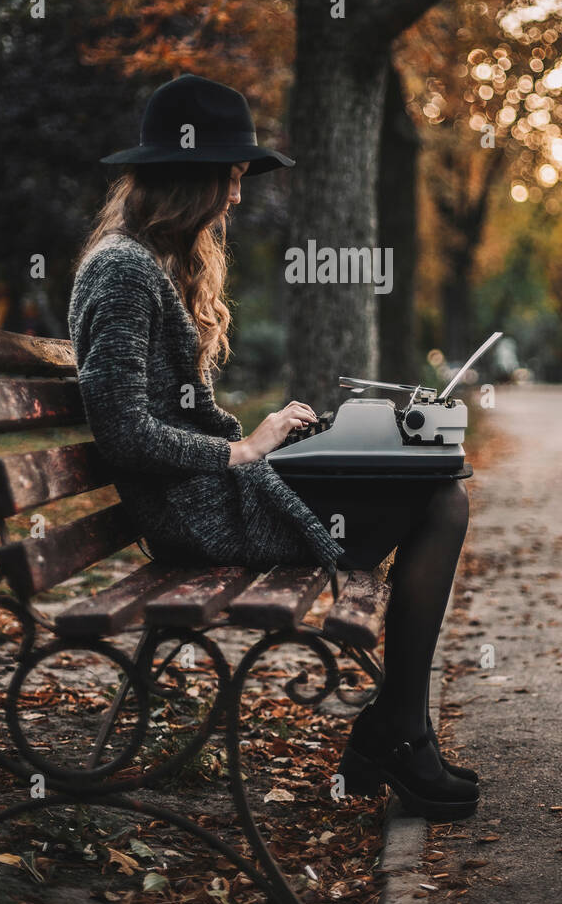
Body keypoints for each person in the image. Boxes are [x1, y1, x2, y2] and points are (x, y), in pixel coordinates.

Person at [68, 75, 478, 820]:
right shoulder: (123, 271)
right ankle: (396, 733)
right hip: (197, 515)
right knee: (439, 500)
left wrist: (264, 437)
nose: (236, 197)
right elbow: (123, 431)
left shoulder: (143, 264)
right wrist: (239, 453)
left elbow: (172, 414)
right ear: (189, 178)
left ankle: (395, 730)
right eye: (228, 178)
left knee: (432, 484)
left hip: (209, 496)